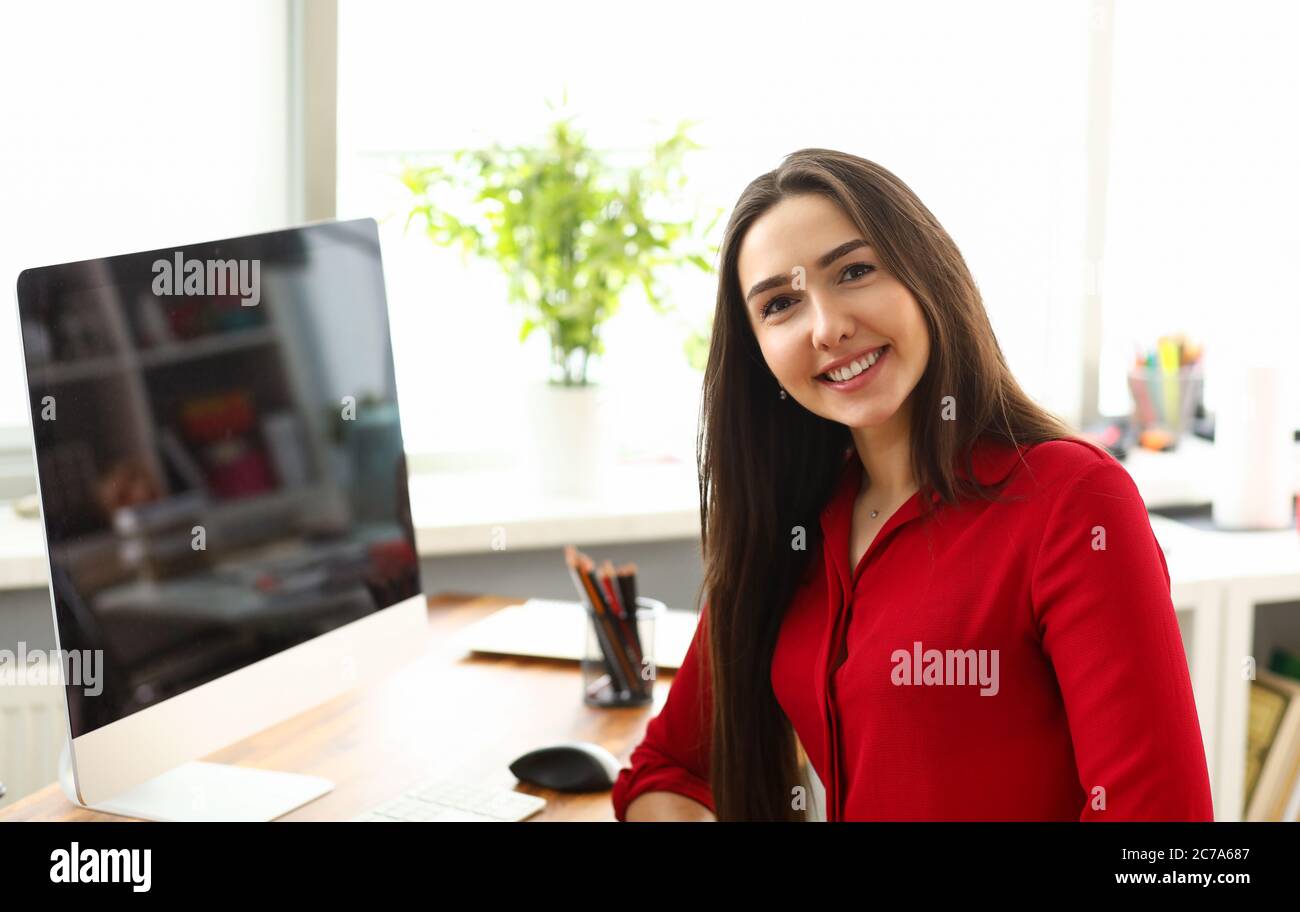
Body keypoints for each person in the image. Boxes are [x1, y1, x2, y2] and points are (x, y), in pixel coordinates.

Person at [611, 149, 1214, 822]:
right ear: (757, 351)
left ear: (926, 273)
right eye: (781, 304)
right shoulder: (791, 519)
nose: (827, 326)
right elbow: (668, 767)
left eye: (856, 271)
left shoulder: (1074, 502)